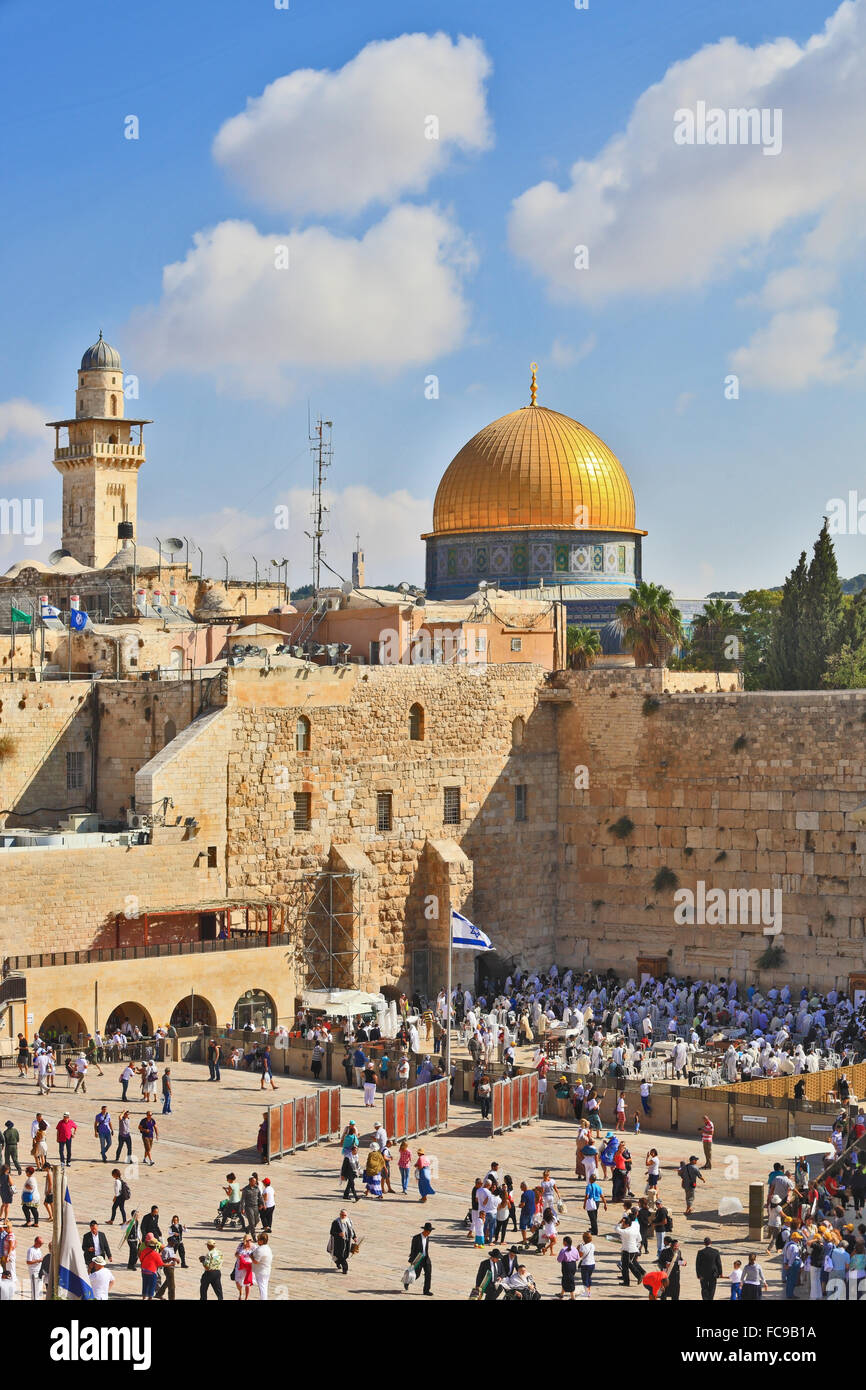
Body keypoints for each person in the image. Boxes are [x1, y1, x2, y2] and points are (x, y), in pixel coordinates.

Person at [617, 1211, 645, 1286]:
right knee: (626, 1265)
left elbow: (616, 1229)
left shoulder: (626, 1231)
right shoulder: (635, 1228)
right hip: (633, 1248)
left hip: (628, 1249)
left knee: (628, 1265)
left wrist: (620, 1222)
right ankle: (628, 1280)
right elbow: (639, 1238)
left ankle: (638, 1275)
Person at [408, 1222, 433, 1295]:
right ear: (424, 1230)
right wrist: (412, 1260)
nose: (429, 1233)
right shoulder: (416, 1238)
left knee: (428, 1274)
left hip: (426, 1258)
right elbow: (413, 1249)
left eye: (430, 1232)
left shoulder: (428, 1238)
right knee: (416, 1274)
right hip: (418, 1258)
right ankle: (407, 1282)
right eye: (428, 1231)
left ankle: (426, 1290)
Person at [695, 1236, 723, 1300]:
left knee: (704, 1288)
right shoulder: (715, 1251)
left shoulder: (700, 1252)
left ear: (704, 1243)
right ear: (711, 1243)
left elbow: (697, 1264)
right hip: (713, 1274)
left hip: (703, 1274)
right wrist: (720, 1273)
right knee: (712, 1288)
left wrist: (698, 1275)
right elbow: (719, 1263)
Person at [329, 1210, 356, 1275]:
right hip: (338, 1242)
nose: (343, 1216)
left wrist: (354, 1237)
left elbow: (351, 1230)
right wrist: (339, 1234)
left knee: (346, 1254)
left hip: (347, 1241)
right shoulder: (336, 1222)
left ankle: (338, 1262)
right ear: (339, 1214)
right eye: (341, 1215)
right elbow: (332, 1232)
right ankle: (345, 1268)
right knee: (340, 1255)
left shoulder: (348, 1221)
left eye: (344, 1215)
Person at [138, 1234, 163, 1301]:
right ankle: (150, 1295)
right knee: (150, 1282)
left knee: (148, 1282)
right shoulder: (143, 1245)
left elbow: (163, 1247)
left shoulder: (156, 1244)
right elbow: (161, 1264)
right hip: (150, 1268)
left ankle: (152, 1294)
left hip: (149, 1267)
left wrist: (160, 1253)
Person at [557, 1235, 580, 1299]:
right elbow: (578, 1258)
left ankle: (573, 1297)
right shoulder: (574, 1248)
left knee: (569, 1280)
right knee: (566, 1279)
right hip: (573, 1265)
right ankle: (561, 1294)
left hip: (566, 1266)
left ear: (565, 1242)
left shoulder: (563, 1250)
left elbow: (559, 1260)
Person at [233, 1234, 255, 1300]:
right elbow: (236, 1254)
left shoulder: (253, 1247)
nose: (249, 1242)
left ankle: (246, 1298)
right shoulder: (241, 1245)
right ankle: (240, 1292)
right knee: (237, 1281)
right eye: (247, 1240)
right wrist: (239, 1256)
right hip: (240, 1266)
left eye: (250, 1240)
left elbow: (257, 1256)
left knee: (247, 1283)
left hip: (249, 1266)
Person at [252, 1232, 272, 1299]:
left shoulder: (260, 1249)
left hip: (261, 1272)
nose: (257, 1241)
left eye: (258, 1240)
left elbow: (256, 1262)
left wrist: (251, 1256)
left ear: (262, 1241)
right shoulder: (268, 1248)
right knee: (264, 1287)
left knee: (262, 1288)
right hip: (266, 1270)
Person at [577, 1230, 596, 1297]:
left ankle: (586, 1293)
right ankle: (589, 1291)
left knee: (585, 1279)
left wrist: (578, 1248)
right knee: (589, 1278)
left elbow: (579, 1255)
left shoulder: (583, 1247)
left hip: (585, 1264)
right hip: (592, 1263)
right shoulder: (592, 1245)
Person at [26, 1235, 45, 1302]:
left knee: (39, 1288)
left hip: (39, 1271)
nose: (41, 1245)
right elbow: (28, 1262)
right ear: (36, 1242)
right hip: (34, 1272)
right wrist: (38, 1260)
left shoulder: (39, 1249)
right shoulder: (31, 1250)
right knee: (34, 1288)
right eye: (40, 1243)